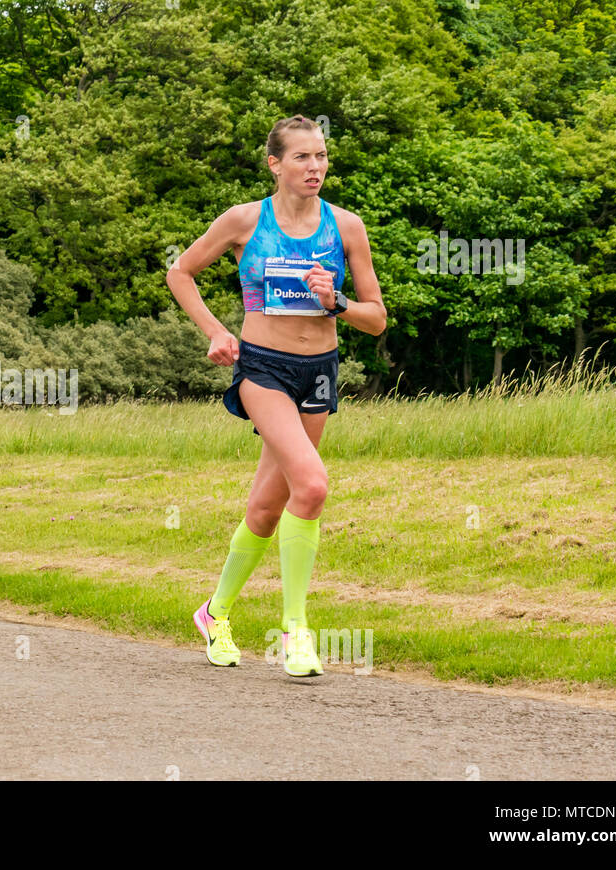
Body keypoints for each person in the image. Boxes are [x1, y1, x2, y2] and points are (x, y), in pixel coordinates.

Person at [166, 115, 388, 676]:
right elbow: (180, 273)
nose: (315, 167)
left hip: (319, 372)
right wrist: (216, 331)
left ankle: (214, 613)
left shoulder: (346, 227)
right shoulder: (245, 220)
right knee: (312, 486)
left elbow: (377, 319)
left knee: (267, 509)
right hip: (263, 369)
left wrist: (336, 301)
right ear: (275, 164)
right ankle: (296, 631)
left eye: (321, 156)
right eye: (302, 157)